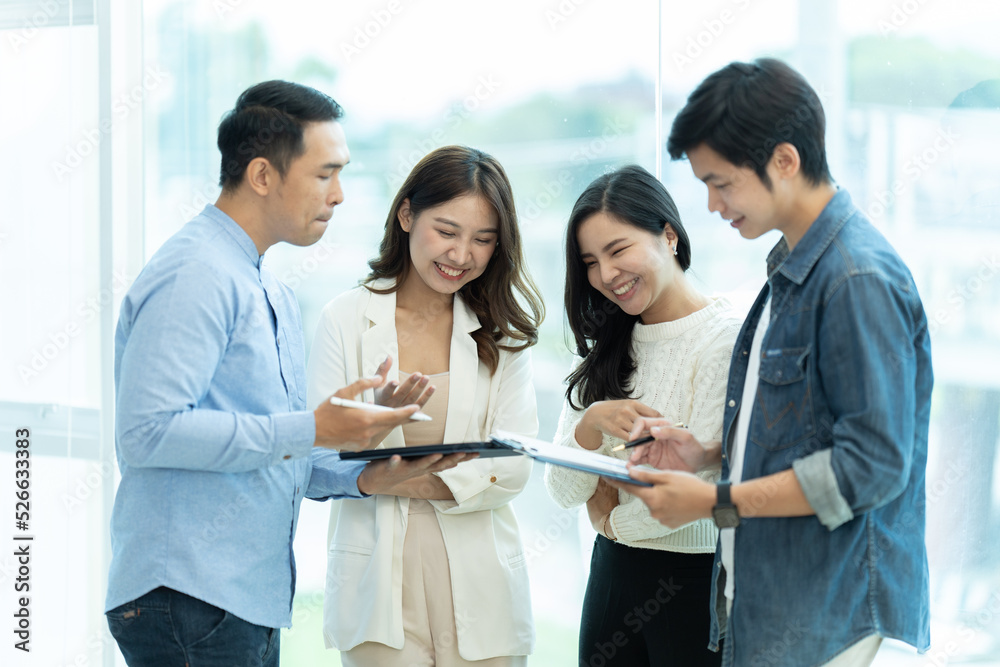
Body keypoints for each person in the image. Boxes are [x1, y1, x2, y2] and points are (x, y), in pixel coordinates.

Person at [105, 80, 470, 667]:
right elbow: (146, 432)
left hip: (237, 602)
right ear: (262, 176)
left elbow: (274, 449)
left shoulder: (263, 284)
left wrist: (367, 465)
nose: (341, 194)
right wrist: (312, 428)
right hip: (190, 597)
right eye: (325, 174)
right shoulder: (196, 274)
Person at [608, 58, 933, 667]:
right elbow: (804, 432)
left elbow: (870, 467)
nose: (709, 205)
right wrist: (708, 454)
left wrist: (714, 501)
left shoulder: (854, 279)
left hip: (827, 610)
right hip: (776, 601)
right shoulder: (791, 270)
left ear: (784, 161)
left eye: (721, 182)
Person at [307, 145, 545, 667]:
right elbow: (314, 457)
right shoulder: (345, 319)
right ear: (407, 214)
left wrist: (392, 476)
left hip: (480, 580)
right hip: (377, 582)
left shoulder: (502, 333)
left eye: (483, 240)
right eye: (447, 231)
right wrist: (368, 428)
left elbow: (512, 463)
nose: (462, 255)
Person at [544, 165, 740, 666]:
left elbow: (696, 491)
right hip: (610, 575)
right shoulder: (602, 343)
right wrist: (589, 425)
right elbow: (563, 492)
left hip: (691, 582)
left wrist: (610, 507)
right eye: (590, 261)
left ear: (668, 235)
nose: (606, 274)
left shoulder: (723, 338)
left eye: (618, 249)